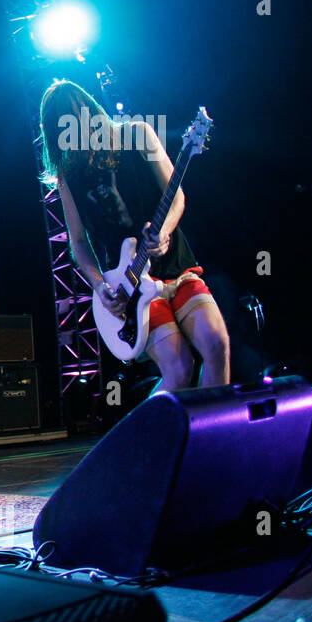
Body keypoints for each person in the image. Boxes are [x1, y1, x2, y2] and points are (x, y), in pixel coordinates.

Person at [39, 80, 229, 391]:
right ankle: (147, 435)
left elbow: (176, 195)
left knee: (217, 345)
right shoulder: (68, 176)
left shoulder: (138, 133)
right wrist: (99, 286)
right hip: (131, 289)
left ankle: (217, 435)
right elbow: (78, 242)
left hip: (178, 269)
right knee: (179, 369)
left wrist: (164, 233)